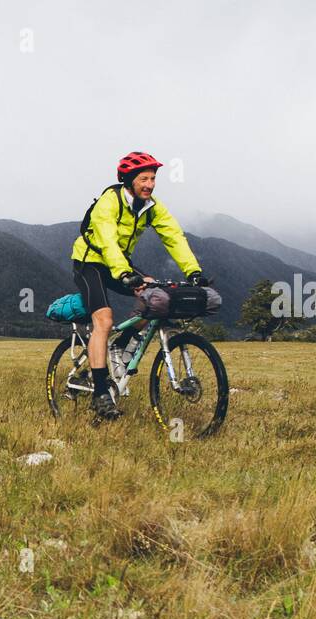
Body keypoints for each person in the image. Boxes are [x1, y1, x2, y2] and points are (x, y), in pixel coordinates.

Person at [72, 151, 209, 420]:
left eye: (153, 178)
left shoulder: (151, 207)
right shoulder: (109, 202)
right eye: (144, 178)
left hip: (120, 263)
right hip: (90, 262)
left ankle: (120, 345)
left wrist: (193, 271)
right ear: (129, 180)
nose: (150, 184)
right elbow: (107, 241)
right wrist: (124, 273)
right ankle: (100, 392)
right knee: (104, 320)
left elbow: (173, 237)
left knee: (157, 297)